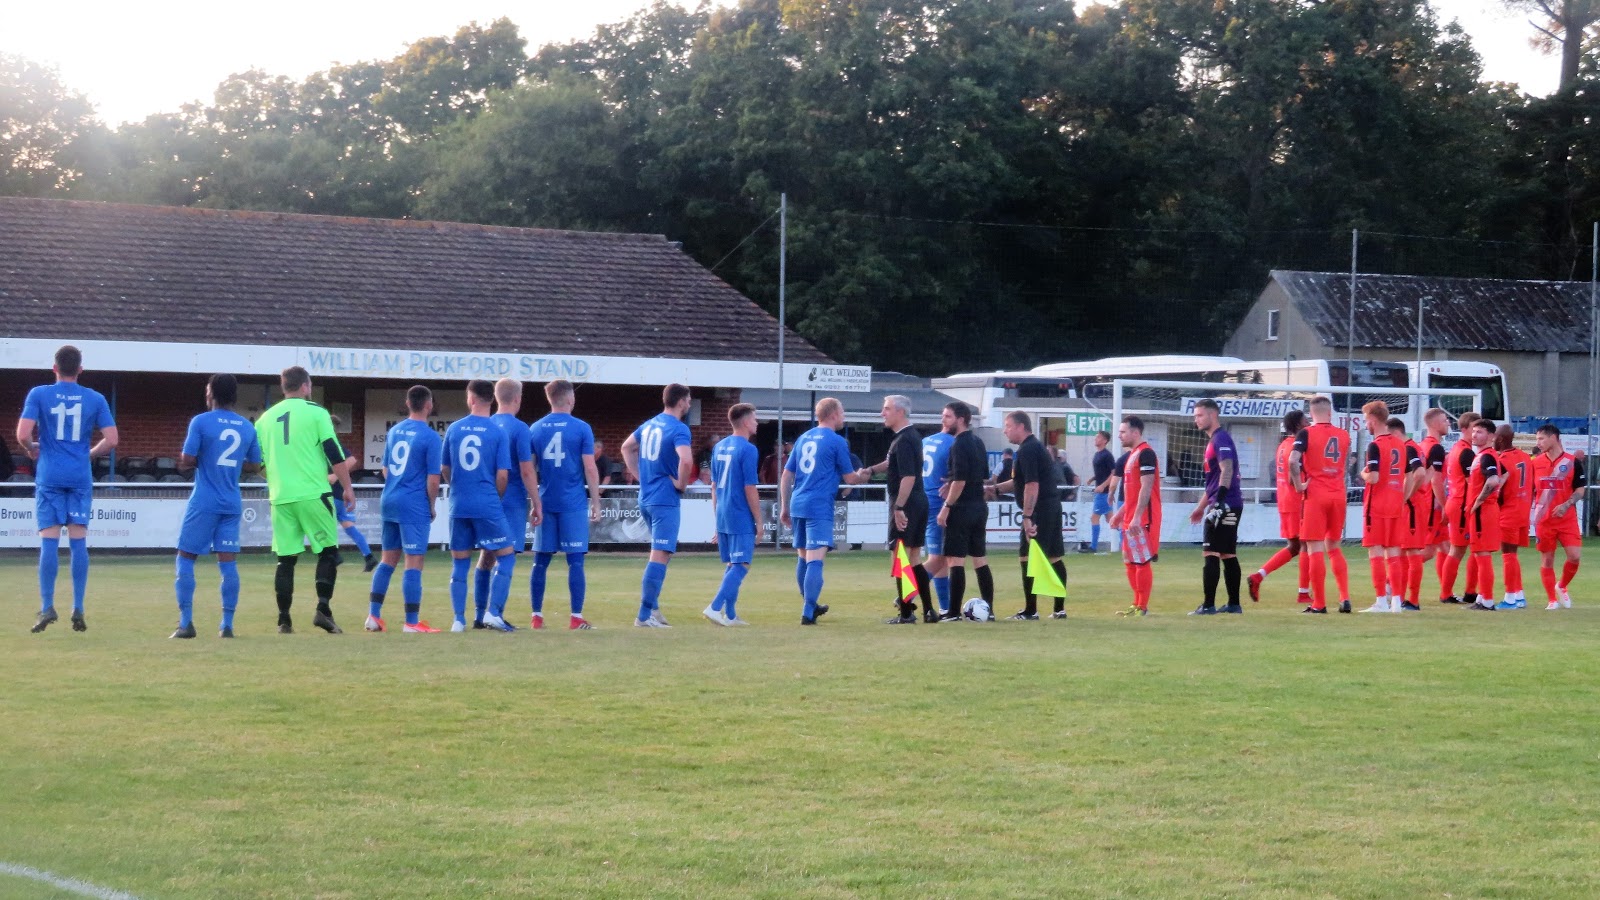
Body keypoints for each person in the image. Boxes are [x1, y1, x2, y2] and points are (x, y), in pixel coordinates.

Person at [16, 345, 119, 634]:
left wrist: (32, 448)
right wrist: (89, 454)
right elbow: (112, 440)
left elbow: (22, 434)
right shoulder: (95, 398)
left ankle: (47, 605)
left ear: (54, 368)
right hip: (79, 477)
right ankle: (78, 607)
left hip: (50, 476)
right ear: (80, 370)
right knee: (78, 542)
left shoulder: (39, 394)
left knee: (49, 542)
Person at [254, 366, 352, 634]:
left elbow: (256, 463)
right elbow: (333, 452)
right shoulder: (317, 412)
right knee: (328, 552)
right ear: (306, 386)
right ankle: (323, 610)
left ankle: (284, 620)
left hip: (281, 497)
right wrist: (347, 487)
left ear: (284, 387)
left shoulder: (264, 420)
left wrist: (277, 479)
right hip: (313, 494)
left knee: (285, 560)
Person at [171, 373, 259, 639]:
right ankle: (227, 625)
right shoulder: (247, 427)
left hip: (204, 501)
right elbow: (255, 465)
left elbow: (187, 458)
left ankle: (186, 623)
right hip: (231, 502)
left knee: (185, 557)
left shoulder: (201, 421)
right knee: (228, 563)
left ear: (211, 394)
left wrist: (205, 460)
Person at [781, 397, 866, 624]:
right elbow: (850, 478)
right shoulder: (837, 441)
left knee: (803, 557)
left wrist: (784, 506)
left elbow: (786, 474)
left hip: (798, 503)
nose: (844, 416)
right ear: (833, 414)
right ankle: (808, 612)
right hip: (819, 506)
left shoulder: (803, 438)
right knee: (815, 559)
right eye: (842, 412)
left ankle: (811, 604)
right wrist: (861, 475)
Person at [441, 379, 517, 633]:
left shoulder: (454, 429)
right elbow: (503, 475)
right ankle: (493, 613)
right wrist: (495, 497)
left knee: (460, 563)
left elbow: (445, 468)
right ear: (491, 400)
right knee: (506, 556)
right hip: (487, 503)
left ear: (471, 398)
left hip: (459, 504)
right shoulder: (497, 432)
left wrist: (458, 486)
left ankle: (458, 620)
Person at [368, 385, 443, 634]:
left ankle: (373, 616)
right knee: (414, 560)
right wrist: (431, 505)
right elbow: (434, 480)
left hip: (389, 499)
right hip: (413, 504)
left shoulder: (395, 431)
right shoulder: (431, 437)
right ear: (429, 405)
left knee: (388, 559)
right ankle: (411, 622)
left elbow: (386, 469)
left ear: (408, 403)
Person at [528, 378, 601, 630]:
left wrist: (534, 501)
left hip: (546, 502)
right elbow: (590, 468)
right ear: (570, 398)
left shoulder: (536, 428)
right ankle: (576, 617)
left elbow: (530, 469)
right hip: (573, 503)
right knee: (575, 561)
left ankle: (536, 617)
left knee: (540, 561)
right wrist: (596, 501)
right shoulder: (581, 428)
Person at [856, 395, 934, 623]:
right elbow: (892, 463)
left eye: (887, 409)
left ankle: (907, 613)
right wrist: (871, 470)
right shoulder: (907, 437)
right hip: (918, 501)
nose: (883, 413)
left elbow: (908, 476)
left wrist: (899, 507)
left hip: (907, 503)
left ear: (900, 412)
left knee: (900, 557)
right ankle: (929, 611)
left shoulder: (905, 439)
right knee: (914, 558)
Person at [622, 383, 695, 627]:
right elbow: (686, 460)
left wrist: (642, 476)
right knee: (660, 554)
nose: (689, 404)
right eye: (688, 400)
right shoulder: (679, 428)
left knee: (662, 555)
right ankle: (643, 616)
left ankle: (653, 610)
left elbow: (626, 447)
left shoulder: (650, 424)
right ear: (681, 401)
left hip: (646, 497)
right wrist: (681, 484)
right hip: (664, 499)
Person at [473, 378, 541, 629]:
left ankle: (479, 615)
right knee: (506, 556)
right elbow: (526, 470)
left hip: (485, 499)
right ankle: (494, 613)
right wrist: (537, 502)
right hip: (510, 500)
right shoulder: (520, 429)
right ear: (517, 399)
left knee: (486, 556)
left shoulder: (486, 424)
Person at [992, 411, 1069, 620]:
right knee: (1053, 557)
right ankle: (1059, 609)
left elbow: (1032, 484)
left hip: (1039, 510)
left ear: (1020, 426)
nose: (1005, 431)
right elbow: (1019, 481)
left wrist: (1027, 517)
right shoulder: (1033, 447)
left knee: (1027, 556)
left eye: (1008, 426)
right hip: (1050, 506)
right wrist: (995, 489)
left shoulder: (1028, 450)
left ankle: (1030, 610)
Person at [1289, 396, 1351, 614]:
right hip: (1338, 495)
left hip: (1316, 495)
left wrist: (1298, 485)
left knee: (1315, 548)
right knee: (1334, 547)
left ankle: (1319, 603)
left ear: (1311, 414)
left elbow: (1292, 460)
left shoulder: (1306, 433)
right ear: (1330, 412)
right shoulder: (1344, 435)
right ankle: (1345, 597)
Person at [937, 401, 995, 621]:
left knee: (955, 560)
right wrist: (951, 481)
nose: (943, 420)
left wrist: (946, 507)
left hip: (961, 509)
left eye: (947, 416)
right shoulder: (978, 442)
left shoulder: (958, 444)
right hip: (979, 507)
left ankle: (953, 612)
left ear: (960, 419)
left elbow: (961, 480)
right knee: (980, 559)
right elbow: (980, 476)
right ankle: (989, 610)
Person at [1358, 401, 1417, 613]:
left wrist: (1363, 474)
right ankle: (1397, 602)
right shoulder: (1401, 444)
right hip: (1394, 506)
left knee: (1375, 553)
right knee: (1393, 555)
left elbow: (1373, 477)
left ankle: (1381, 601)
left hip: (1376, 506)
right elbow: (1410, 476)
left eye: (1366, 420)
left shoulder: (1375, 445)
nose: (1366, 425)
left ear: (1373, 421)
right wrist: (1402, 498)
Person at [706, 403, 762, 626]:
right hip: (739, 513)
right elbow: (750, 487)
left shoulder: (719, 446)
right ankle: (714, 607)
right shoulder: (748, 449)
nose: (757, 423)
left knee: (732, 564)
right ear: (746, 422)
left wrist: (717, 519)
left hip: (723, 512)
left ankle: (730, 615)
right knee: (742, 564)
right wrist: (759, 521)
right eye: (755, 419)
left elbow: (713, 486)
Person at [1247, 410, 1310, 604]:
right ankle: (1303, 593)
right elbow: (1292, 478)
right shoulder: (1296, 447)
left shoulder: (1282, 445)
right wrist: (1308, 483)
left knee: (1294, 546)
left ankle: (1258, 576)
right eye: (1306, 421)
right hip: (1296, 502)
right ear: (1298, 425)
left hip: (1284, 501)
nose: (1308, 423)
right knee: (1307, 545)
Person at [1188, 398, 1244, 615]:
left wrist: (1219, 502)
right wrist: (1201, 507)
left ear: (1213, 415)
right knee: (1227, 553)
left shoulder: (1220, 439)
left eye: (1200, 415)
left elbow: (1227, 469)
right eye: (1195, 416)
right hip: (1229, 502)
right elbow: (1213, 482)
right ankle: (1233, 604)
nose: (1196, 419)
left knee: (1210, 551)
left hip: (1225, 503)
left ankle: (1208, 605)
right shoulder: (1216, 440)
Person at [1531, 424, 1584, 609]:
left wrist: (1566, 504)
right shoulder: (1535, 463)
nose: (1538, 443)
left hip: (1567, 518)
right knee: (1547, 559)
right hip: (1544, 520)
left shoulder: (1572, 462)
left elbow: (1580, 490)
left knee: (1575, 556)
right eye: (1537, 439)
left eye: (1541, 439)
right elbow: (1530, 489)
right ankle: (1552, 600)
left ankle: (1561, 586)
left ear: (1553, 438)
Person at [1110, 415, 1159, 616]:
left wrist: (1138, 516)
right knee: (1129, 560)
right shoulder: (1132, 456)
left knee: (1141, 561)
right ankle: (1136, 603)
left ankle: (1142, 607)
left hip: (1142, 517)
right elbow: (1132, 493)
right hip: (1130, 516)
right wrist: (1120, 514)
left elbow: (1146, 487)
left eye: (1123, 432)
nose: (1119, 436)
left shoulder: (1146, 453)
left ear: (1135, 432)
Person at [1438, 410, 1483, 604]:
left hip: (1456, 502)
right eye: (1474, 429)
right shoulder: (1466, 452)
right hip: (1462, 505)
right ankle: (1447, 593)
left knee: (1471, 548)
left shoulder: (1457, 449)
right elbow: (1471, 482)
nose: (1476, 433)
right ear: (1464, 429)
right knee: (1459, 549)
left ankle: (1469, 591)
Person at [1460, 418, 1504, 611]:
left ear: (1491, 436)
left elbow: (1493, 480)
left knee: (1483, 554)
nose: (1474, 435)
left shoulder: (1487, 457)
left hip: (1483, 511)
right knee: (1479, 554)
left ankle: (1487, 599)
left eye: (1480, 432)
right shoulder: (1482, 456)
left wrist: (1479, 500)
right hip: (1483, 510)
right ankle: (1482, 597)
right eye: (1474, 431)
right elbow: (1502, 475)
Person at [326, 416, 377, 573]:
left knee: (323, 524)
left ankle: (333, 555)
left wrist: (334, 475)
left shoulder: (329, 444)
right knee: (348, 526)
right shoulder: (330, 443)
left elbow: (351, 460)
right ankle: (369, 557)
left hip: (331, 493)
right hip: (338, 493)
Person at [1493, 424, 1534, 610]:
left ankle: (1509, 598)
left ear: (1501, 439)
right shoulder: (1525, 457)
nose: (1493, 440)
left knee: (1508, 554)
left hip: (1509, 511)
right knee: (1513, 554)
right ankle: (1519, 595)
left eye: (1495, 437)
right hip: (1523, 510)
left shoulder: (1501, 460)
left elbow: (1499, 491)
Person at [922, 419, 957, 617]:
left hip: (924, 501)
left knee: (941, 558)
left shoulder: (925, 441)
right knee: (937, 559)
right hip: (939, 504)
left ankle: (945, 607)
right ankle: (906, 594)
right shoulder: (953, 443)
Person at [1396, 417, 1431, 611]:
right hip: (1414, 505)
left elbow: (1420, 473)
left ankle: (1413, 600)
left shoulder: (1408, 448)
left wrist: (1408, 496)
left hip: (1413, 506)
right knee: (1403, 552)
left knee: (1412, 552)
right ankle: (1400, 597)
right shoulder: (1413, 447)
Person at [1084, 430, 1116, 554]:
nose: (1095, 439)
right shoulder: (1097, 454)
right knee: (1111, 520)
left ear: (1104, 440)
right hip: (1101, 491)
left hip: (1104, 492)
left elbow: (1113, 473)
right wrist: (1093, 479)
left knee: (1094, 517)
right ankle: (1130, 540)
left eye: (1098, 437)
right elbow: (1102, 472)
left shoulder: (1107, 455)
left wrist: (1103, 485)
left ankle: (1093, 547)